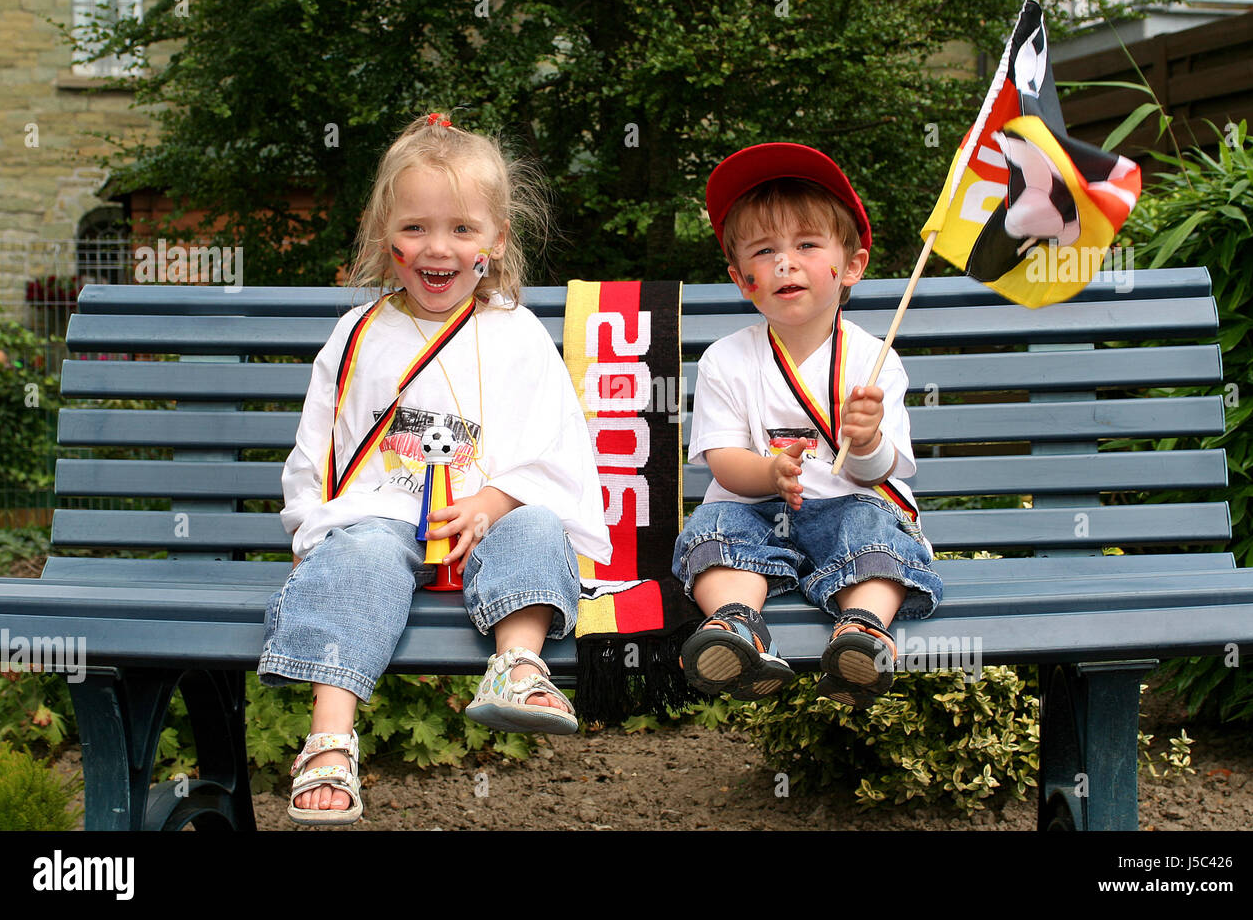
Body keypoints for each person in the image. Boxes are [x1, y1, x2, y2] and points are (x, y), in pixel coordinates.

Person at [258, 112, 611, 824]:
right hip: (385, 520)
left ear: (497, 240)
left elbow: (554, 449)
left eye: (461, 228)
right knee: (356, 552)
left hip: (492, 520)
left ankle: (517, 665)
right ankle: (329, 734)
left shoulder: (515, 335)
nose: (437, 248)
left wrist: (496, 500)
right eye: (415, 227)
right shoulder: (360, 335)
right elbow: (321, 446)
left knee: (540, 525)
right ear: (384, 237)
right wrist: (316, 528)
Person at [673, 142, 942, 708]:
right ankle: (735, 625)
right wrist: (769, 472)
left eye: (806, 245)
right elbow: (722, 460)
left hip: (848, 504)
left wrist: (866, 441)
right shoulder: (725, 359)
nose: (784, 263)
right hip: (755, 508)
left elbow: (883, 472)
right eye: (764, 251)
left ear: (852, 266)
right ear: (742, 278)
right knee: (713, 532)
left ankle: (863, 631)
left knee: (874, 534)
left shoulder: (874, 360)